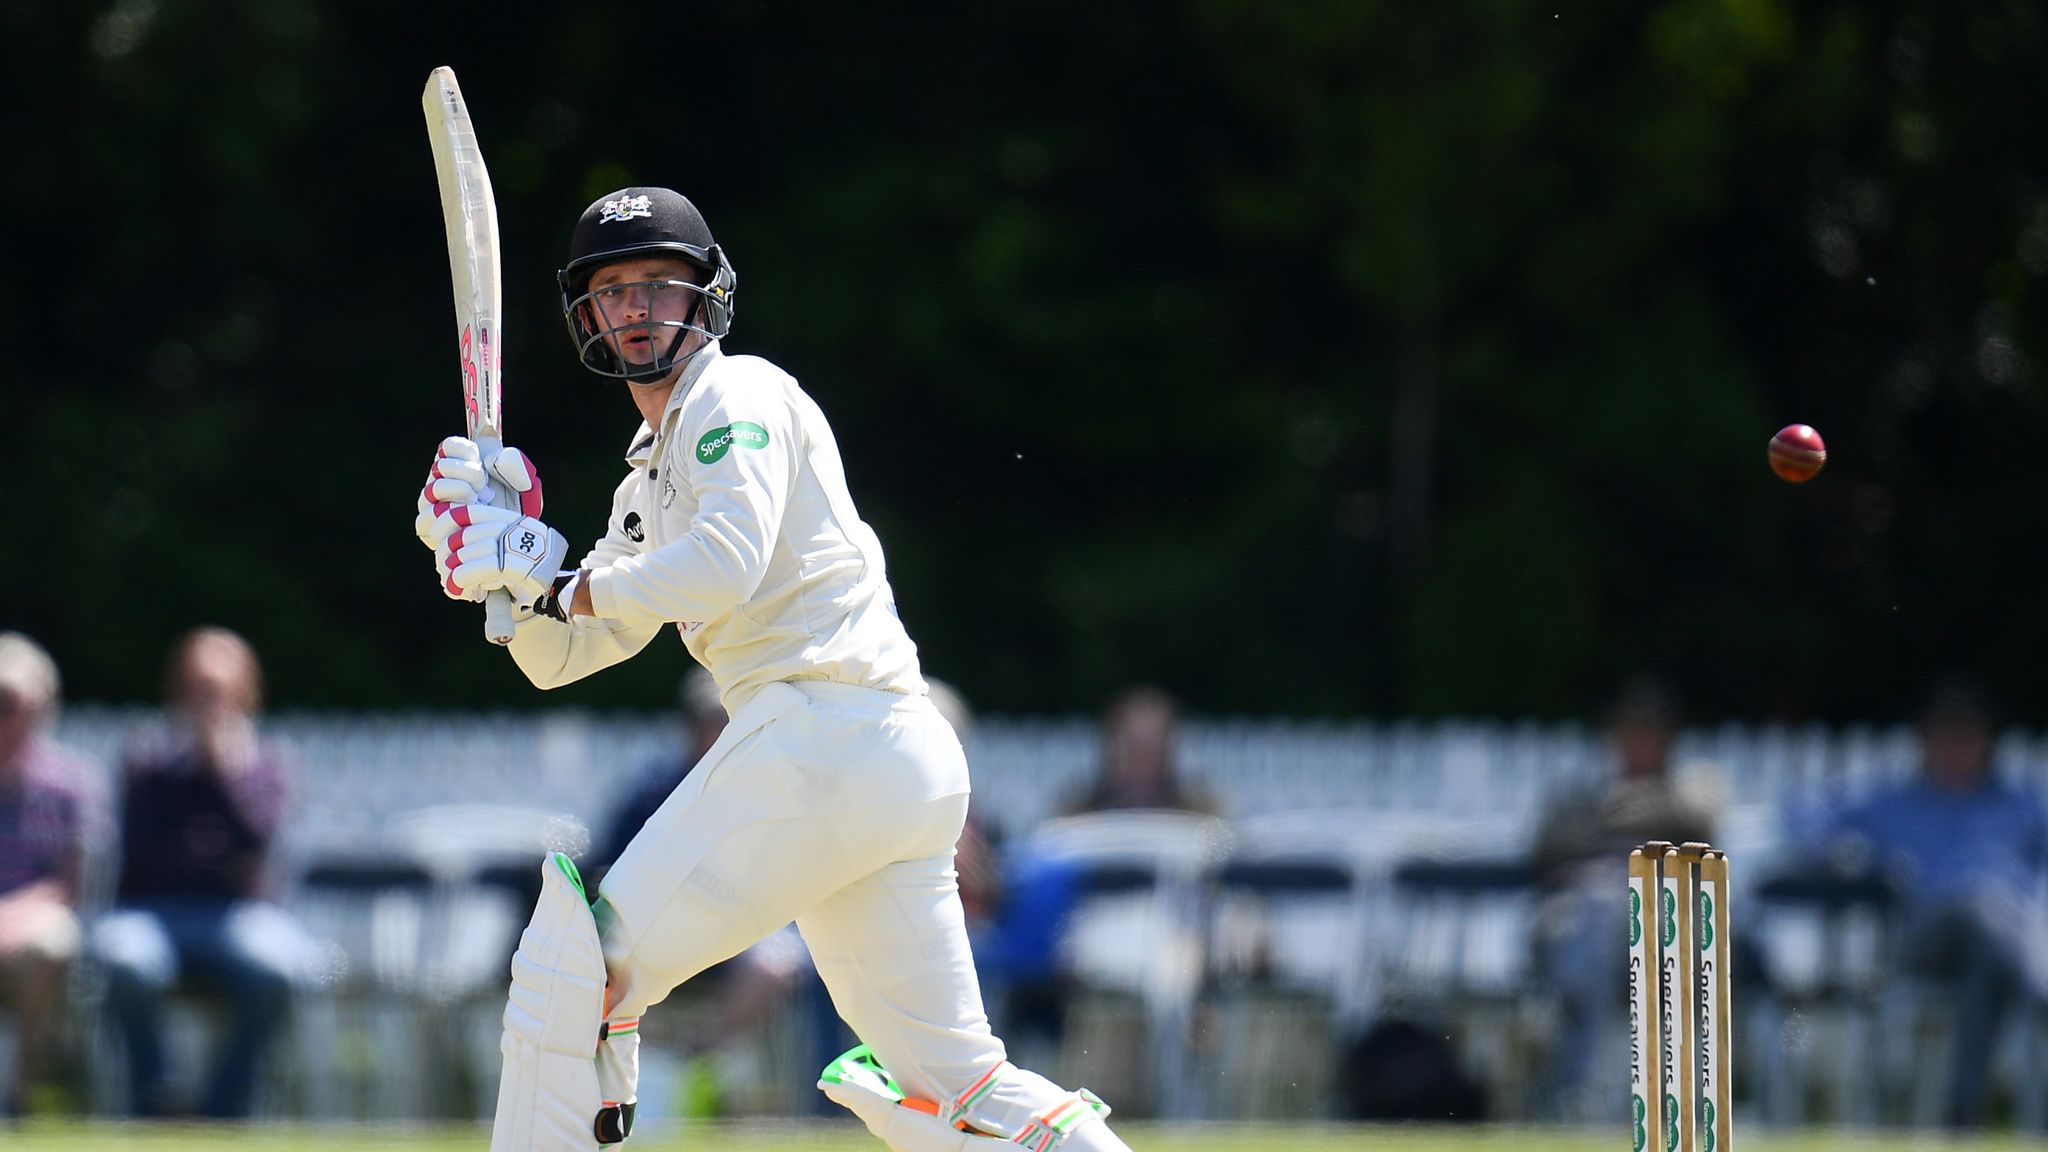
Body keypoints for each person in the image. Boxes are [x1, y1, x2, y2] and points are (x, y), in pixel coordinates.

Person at [412, 187, 1132, 1151]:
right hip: (880, 763)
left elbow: (723, 564)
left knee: (571, 973)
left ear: (708, 295)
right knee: (958, 1089)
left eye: (658, 284)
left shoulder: (737, 394)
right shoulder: (647, 479)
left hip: (822, 737)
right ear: (587, 316)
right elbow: (570, 654)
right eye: (613, 290)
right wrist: (495, 571)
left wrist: (557, 578)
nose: (636, 308)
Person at [91, 627, 314, 1118]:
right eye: (197, 688)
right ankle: (154, 1098)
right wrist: (210, 854)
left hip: (238, 914)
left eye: (216, 690)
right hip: (152, 911)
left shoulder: (268, 765)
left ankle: (223, 1108)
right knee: (123, 961)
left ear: (244, 692)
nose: (205, 701)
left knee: (277, 971)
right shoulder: (146, 761)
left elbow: (257, 844)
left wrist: (224, 771)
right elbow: (143, 849)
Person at [1819, 676, 2048, 1128]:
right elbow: (1809, 816)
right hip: (1924, 941)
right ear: (1924, 740)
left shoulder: (2019, 803)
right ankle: (2039, 986)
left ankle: (1961, 1116)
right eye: (1945, 733)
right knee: (1977, 903)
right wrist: (1852, 859)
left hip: (2000, 948)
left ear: (1985, 740)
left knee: (1987, 969)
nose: (1955, 745)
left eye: (1966, 733)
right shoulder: (1893, 802)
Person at [1524, 675, 1720, 1123]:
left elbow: (1701, 828)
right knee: (1588, 914)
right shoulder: (1585, 794)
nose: (1637, 743)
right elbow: (1545, 848)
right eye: (1629, 731)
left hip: (1669, 924)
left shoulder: (1695, 787)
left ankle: (1586, 1085)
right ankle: (1581, 1087)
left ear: (1668, 739)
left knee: (1616, 907)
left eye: (1649, 732)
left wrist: (1616, 817)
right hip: (1579, 921)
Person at [0, 633, 98, 1116]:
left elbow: (69, 886)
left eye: (20, 707)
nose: (11, 719)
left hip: (33, 923)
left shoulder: (71, 784)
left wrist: (8, 919)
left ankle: (20, 1095)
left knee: (51, 945)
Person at [1057, 685, 1219, 818]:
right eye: (1135, 746)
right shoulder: (1076, 814)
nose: (1144, 758)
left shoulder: (1201, 814)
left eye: (1152, 747)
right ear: (1110, 745)